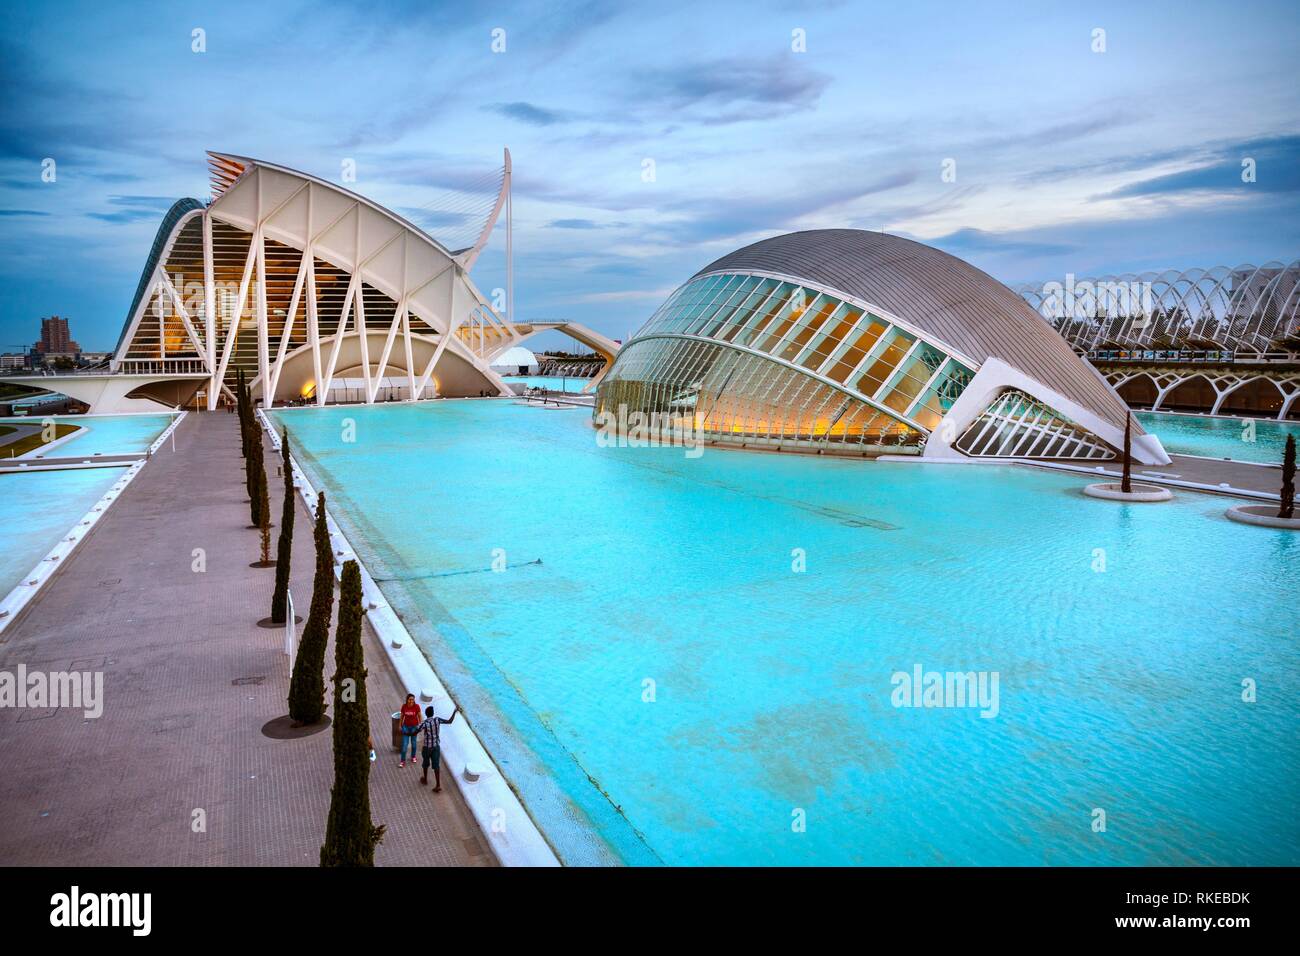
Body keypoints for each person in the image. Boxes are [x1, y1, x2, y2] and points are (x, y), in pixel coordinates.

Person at [414, 703, 460, 791]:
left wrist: (407, 733)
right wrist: (454, 711)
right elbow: (449, 721)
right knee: (436, 766)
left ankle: (425, 779)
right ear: (433, 713)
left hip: (427, 747)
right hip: (436, 746)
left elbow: (416, 731)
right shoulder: (437, 720)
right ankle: (438, 785)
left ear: (426, 714)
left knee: (425, 764)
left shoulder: (424, 723)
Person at [398, 693, 421, 767]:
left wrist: (419, 726)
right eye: (410, 699)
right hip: (406, 727)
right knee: (405, 745)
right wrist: (400, 725)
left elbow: (420, 716)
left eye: (413, 700)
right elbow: (401, 717)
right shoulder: (404, 707)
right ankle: (402, 761)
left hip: (414, 727)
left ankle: (413, 757)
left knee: (414, 744)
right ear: (407, 700)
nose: (411, 701)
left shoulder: (417, 706)